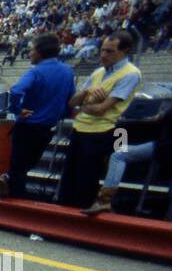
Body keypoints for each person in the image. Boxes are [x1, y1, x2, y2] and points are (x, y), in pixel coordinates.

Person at [58, 30, 143, 209]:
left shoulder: (130, 74)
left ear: (125, 51)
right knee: (69, 177)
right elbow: (71, 102)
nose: (104, 55)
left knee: (86, 180)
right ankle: (61, 218)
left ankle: (78, 224)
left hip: (102, 131)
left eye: (110, 51)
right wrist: (86, 93)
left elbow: (101, 110)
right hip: (80, 129)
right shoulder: (98, 72)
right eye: (102, 50)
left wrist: (83, 106)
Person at [0, 34, 75, 200]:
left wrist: (16, 109)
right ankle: (10, 182)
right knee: (26, 165)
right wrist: (61, 113)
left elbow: (16, 90)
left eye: (32, 50)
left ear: (40, 52)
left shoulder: (36, 71)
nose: (29, 53)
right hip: (48, 127)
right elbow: (71, 99)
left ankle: (14, 200)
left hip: (27, 125)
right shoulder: (68, 72)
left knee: (19, 167)